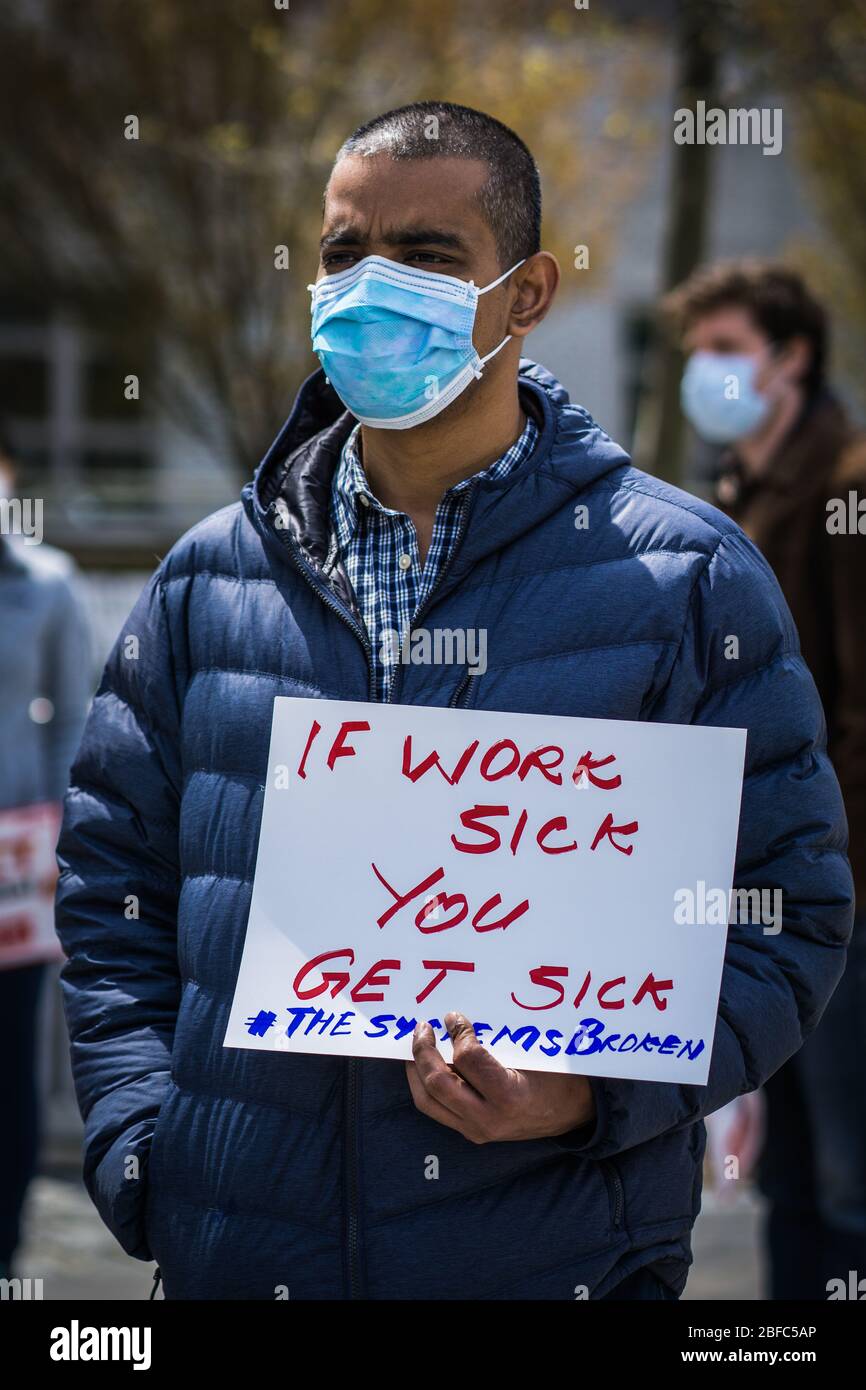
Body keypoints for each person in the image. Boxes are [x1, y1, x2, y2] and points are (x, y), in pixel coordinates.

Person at [56, 104, 853, 1302]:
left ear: (525, 296)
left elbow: (786, 913)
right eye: (341, 252)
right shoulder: (209, 578)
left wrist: (588, 1094)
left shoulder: (682, 580)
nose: (370, 285)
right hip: (237, 1260)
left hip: (552, 1260)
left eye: (426, 254)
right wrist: (145, 1152)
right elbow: (113, 888)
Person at [667, 259, 866, 1300]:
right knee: (783, 1170)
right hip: (762, 895)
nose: (704, 372)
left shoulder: (847, 486)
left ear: (790, 359)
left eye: (726, 350)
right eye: (695, 352)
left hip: (836, 897)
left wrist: (829, 881)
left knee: (844, 1180)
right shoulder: (742, 489)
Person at [0, 436, 91, 1278]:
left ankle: (3, 1242)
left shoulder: (47, 586)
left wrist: (64, 837)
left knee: (8, 1061)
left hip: (12, 869)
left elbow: (71, 721)